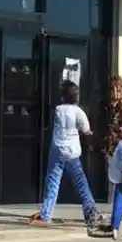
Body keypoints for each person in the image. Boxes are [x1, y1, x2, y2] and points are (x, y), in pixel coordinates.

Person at [31, 80, 97, 228]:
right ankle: (90, 212)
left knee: (53, 183)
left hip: (57, 150)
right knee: (81, 183)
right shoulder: (79, 112)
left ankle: (46, 214)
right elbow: (86, 131)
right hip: (72, 152)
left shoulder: (58, 110)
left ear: (62, 96)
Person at [100, 75, 122, 159]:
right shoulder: (104, 105)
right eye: (112, 90)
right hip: (107, 147)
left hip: (121, 146)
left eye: (118, 90)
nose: (115, 93)